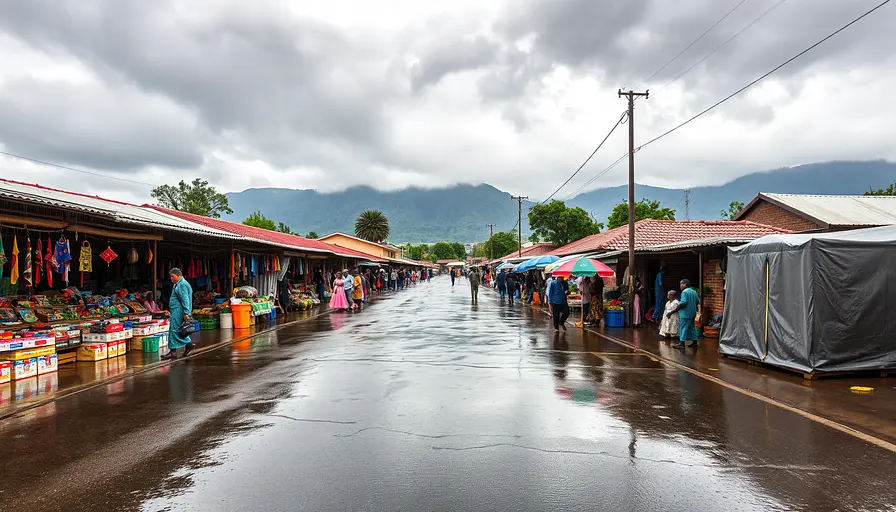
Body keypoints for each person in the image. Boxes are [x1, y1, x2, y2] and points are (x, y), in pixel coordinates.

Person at [162, 268, 194, 360]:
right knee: (178, 330)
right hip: (177, 311)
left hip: (178, 312)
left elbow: (185, 299)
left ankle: (174, 351)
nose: (171, 278)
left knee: (174, 330)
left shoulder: (182, 285)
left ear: (178, 275)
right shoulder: (180, 284)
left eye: (172, 276)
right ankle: (187, 345)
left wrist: (186, 312)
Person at [669, 279, 700, 349]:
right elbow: (697, 301)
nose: (680, 286)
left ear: (685, 284)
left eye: (681, 284)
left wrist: (674, 310)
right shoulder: (694, 292)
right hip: (692, 313)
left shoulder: (684, 292)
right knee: (692, 328)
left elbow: (683, 302)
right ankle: (694, 342)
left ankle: (682, 343)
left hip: (685, 314)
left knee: (683, 328)